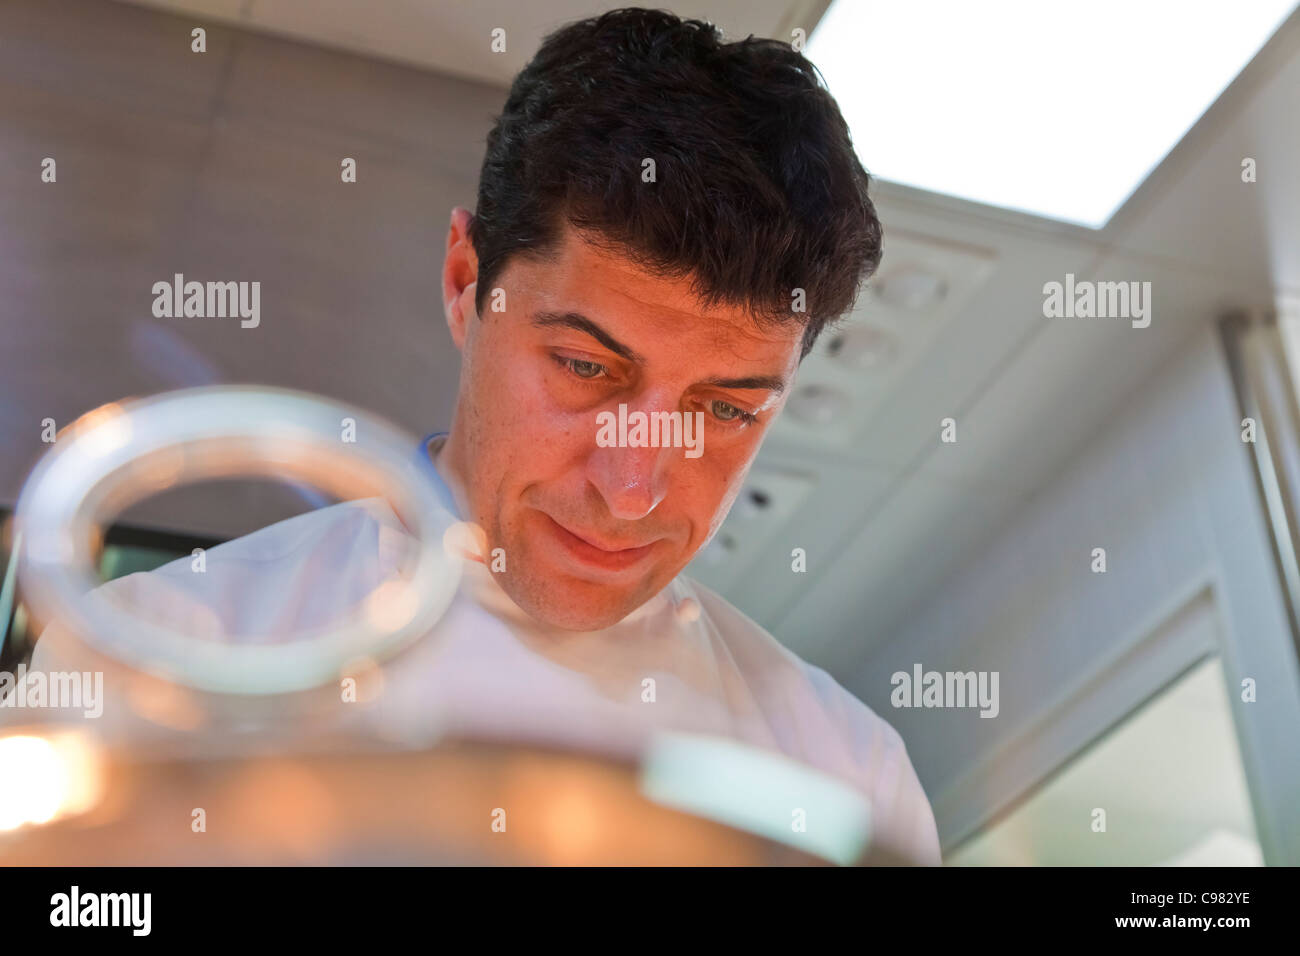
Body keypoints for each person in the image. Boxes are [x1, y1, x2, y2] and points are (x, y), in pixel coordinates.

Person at [26, 8, 941, 865]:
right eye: (587, 368)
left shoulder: (847, 777)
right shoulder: (157, 653)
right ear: (468, 281)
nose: (633, 491)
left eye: (725, 411)